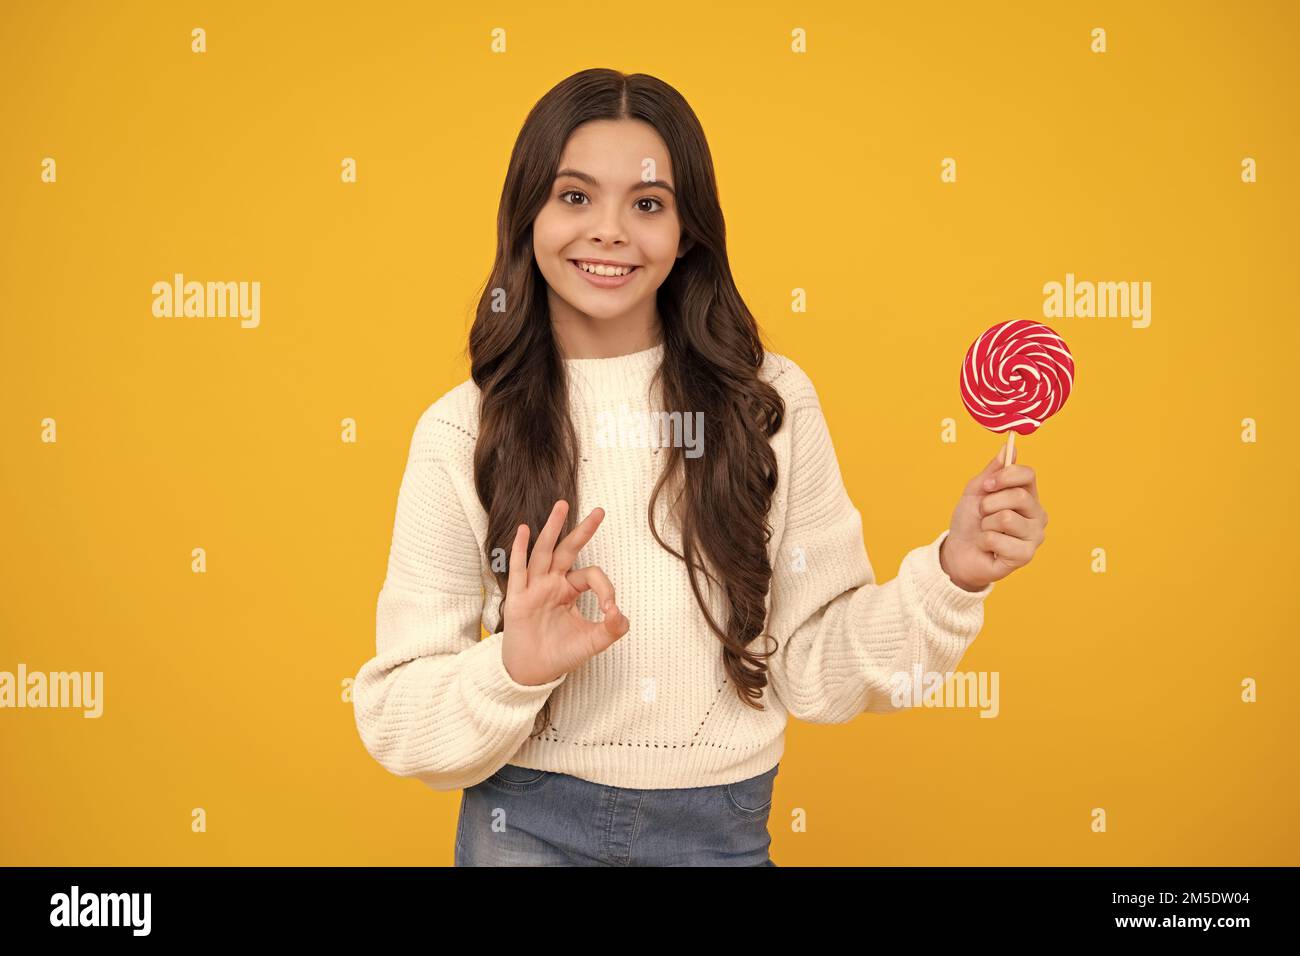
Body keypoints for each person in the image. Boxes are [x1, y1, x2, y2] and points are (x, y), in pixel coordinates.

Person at [351, 68, 1048, 867]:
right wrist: (514, 666)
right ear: (527, 214)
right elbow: (397, 722)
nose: (609, 231)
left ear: (687, 232)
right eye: (575, 196)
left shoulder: (767, 404)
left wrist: (954, 574)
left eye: (647, 204)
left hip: (720, 831)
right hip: (524, 828)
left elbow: (818, 671)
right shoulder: (462, 429)